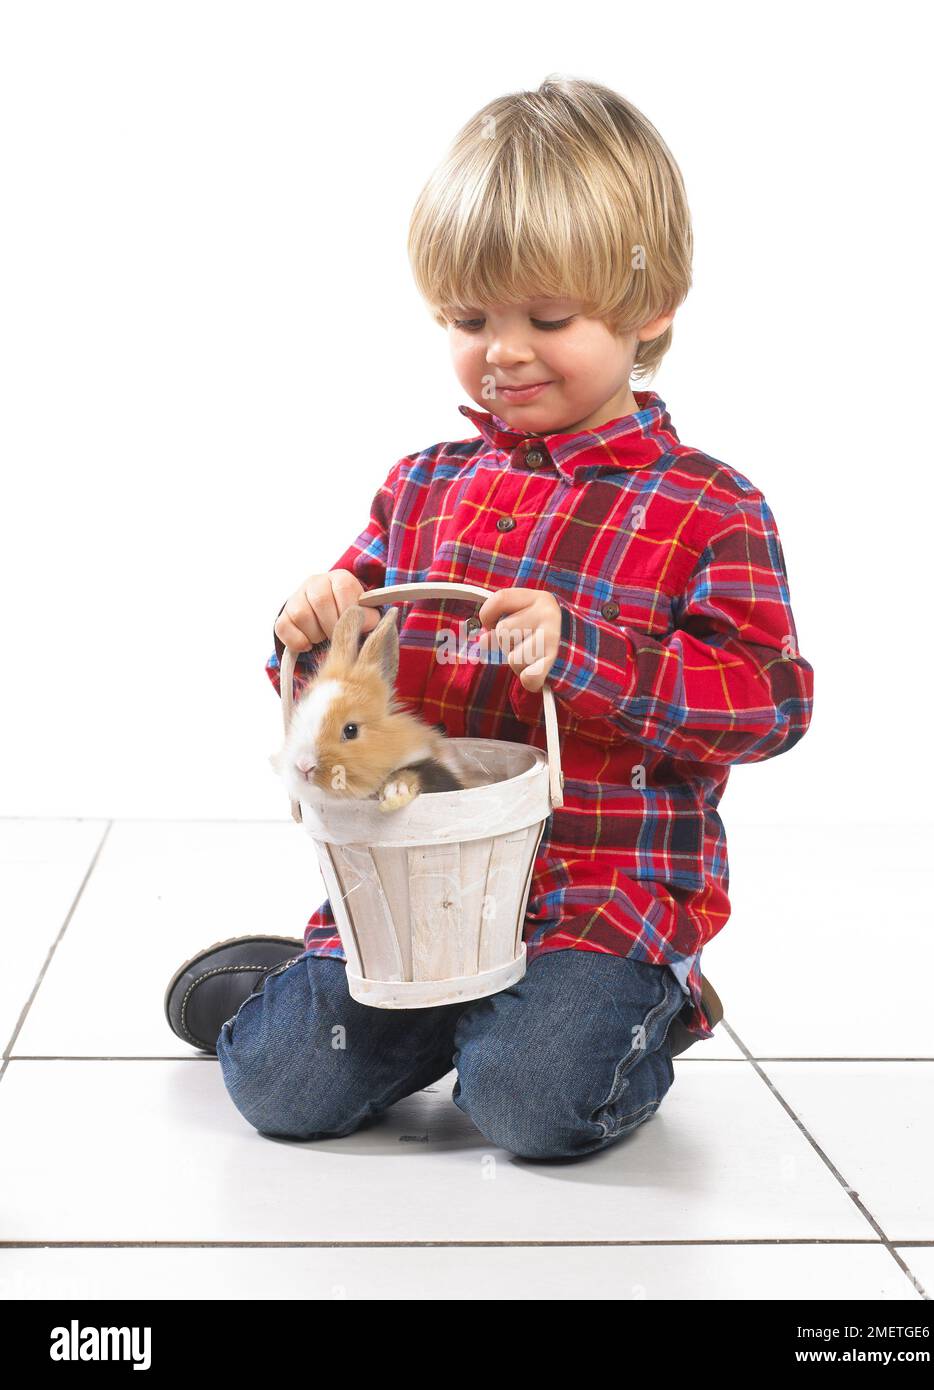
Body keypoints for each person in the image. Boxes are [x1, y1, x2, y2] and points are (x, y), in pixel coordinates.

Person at [165, 75, 814, 1160]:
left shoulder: (705, 506)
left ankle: (642, 1007)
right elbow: (337, 691)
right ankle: (308, 990)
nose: (500, 351)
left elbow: (769, 703)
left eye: (545, 319)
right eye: (469, 320)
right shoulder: (420, 486)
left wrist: (589, 656)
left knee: (527, 1104)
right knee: (277, 1088)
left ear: (648, 309)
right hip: (418, 894)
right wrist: (313, 624)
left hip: (598, 900)